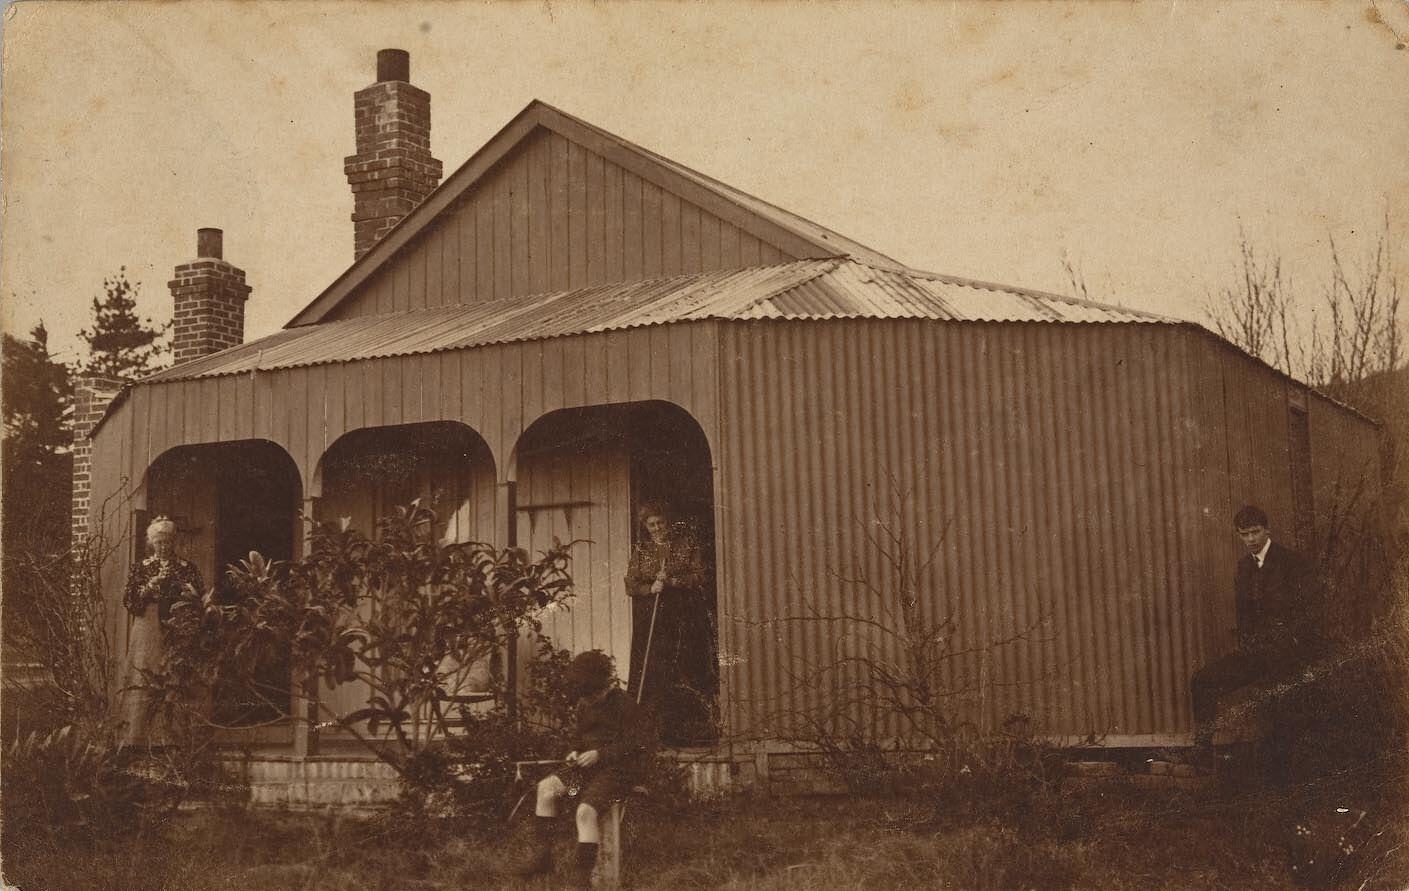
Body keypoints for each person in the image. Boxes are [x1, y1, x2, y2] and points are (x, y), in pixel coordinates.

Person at [510, 650, 656, 887]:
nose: (587, 701)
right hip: (585, 770)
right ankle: (543, 857)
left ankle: (581, 879)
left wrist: (600, 754)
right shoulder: (583, 705)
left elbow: (638, 745)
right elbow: (579, 738)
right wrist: (574, 751)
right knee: (546, 789)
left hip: (617, 773)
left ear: (603, 687)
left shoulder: (627, 707)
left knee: (585, 812)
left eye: (591, 695)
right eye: (584, 697)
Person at [1190, 505, 1324, 748]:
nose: (1251, 539)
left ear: (1267, 530)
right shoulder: (1244, 568)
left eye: (1255, 532)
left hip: (1288, 656)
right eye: (1244, 534)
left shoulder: (1290, 563)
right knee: (1202, 681)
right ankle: (1203, 753)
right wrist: (1247, 644)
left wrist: (1294, 645)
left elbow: (1310, 611)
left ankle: (1283, 775)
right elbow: (1244, 615)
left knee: (1281, 714)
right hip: (1255, 654)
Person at [623, 501, 717, 745]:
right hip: (652, 617)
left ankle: (691, 729)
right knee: (652, 668)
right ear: (646, 527)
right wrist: (649, 587)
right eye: (651, 524)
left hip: (683, 615)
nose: (656, 528)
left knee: (685, 664)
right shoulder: (642, 551)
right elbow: (630, 585)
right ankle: (650, 732)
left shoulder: (685, 545)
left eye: (660, 523)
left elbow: (700, 576)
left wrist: (673, 580)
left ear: (668, 522)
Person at [120, 515, 204, 744]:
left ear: (174, 542)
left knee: (174, 672)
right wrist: (149, 586)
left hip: (176, 625)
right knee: (145, 672)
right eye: (158, 542)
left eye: (167, 542)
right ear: (151, 544)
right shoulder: (142, 568)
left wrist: (180, 588)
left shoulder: (186, 568)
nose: (163, 547)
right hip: (147, 627)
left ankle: (173, 738)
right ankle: (138, 737)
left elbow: (198, 597)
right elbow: (129, 602)